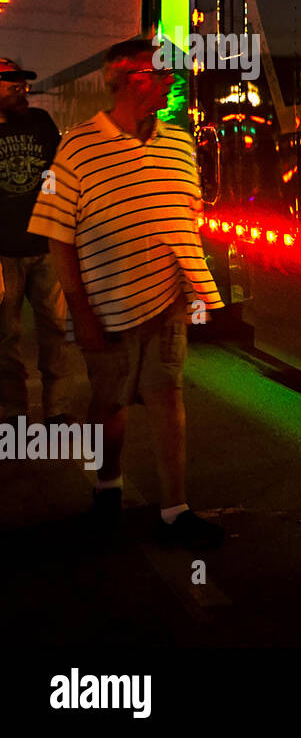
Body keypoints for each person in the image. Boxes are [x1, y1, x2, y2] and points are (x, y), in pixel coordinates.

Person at [28, 38, 225, 550]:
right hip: (106, 304)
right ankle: (107, 488)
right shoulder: (76, 146)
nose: (169, 81)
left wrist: (190, 290)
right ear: (121, 76)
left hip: (167, 302)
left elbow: (188, 218)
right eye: (157, 72)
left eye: (172, 74)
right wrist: (80, 311)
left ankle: (174, 509)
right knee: (110, 404)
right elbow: (56, 233)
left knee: (168, 397)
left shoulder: (179, 142)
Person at [0, 57, 77, 429]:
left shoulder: (41, 123)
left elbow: (57, 174)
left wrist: (54, 214)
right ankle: (13, 412)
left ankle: (55, 409)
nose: (20, 86)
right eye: (9, 80)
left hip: (44, 247)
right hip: (2, 256)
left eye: (22, 81)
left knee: (55, 331)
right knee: (5, 337)